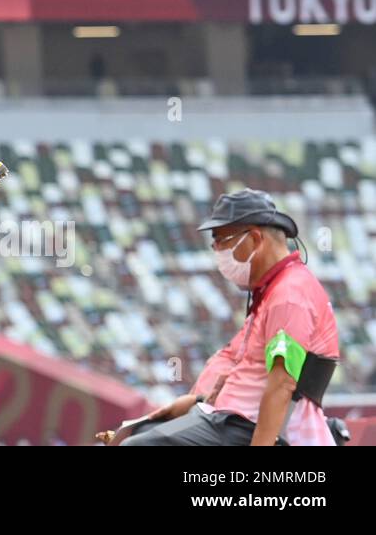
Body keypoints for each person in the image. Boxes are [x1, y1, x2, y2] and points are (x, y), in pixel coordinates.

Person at [117, 189, 339, 446]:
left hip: (247, 427)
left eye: (222, 241)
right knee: (140, 432)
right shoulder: (269, 294)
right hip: (228, 420)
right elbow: (231, 362)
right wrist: (194, 402)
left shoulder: (290, 295)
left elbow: (282, 384)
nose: (217, 252)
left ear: (255, 238)